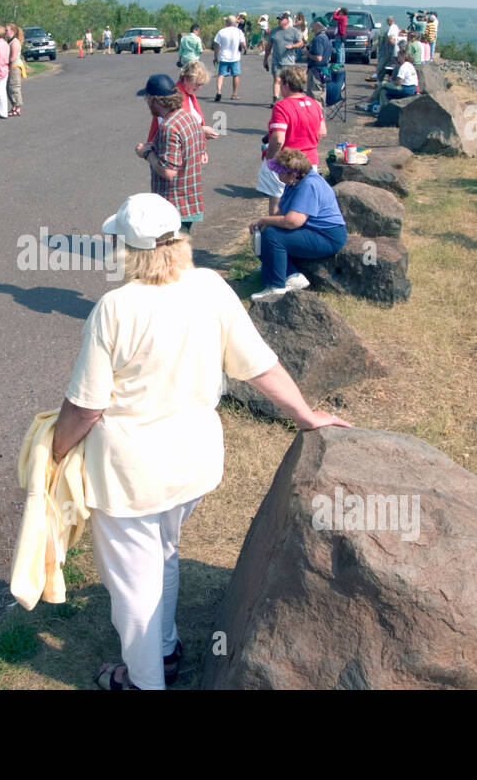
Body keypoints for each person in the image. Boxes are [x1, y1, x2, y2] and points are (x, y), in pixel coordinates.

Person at [53, 191, 351, 690]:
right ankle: (165, 651)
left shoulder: (115, 308)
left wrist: (55, 452)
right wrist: (304, 414)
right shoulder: (210, 287)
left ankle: (144, 681)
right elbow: (259, 364)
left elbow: (86, 405)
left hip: (131, 478)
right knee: (163, 552)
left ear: (127, 250)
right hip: (192, 466)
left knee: (132, 589)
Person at [249, 148, 348, 300]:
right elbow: (283, 213)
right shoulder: (295, 182)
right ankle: (290, 274)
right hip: (314, 231)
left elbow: (292, 221)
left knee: (272, 236)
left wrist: (264, 220)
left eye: (281, 172)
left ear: (293, 173)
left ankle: (277, 287)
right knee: (266, 232)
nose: (278, 174)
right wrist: (264, 224)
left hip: (328, 236)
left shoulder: (309, 185)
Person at [134, 73, 205, 233]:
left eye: (147, 99)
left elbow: (168, 171)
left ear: (155, 100)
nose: (147, 103)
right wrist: (154, 146)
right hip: (190, 201)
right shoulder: (189, 118)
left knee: (173, 254)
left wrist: (146, 153)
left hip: (174, 206)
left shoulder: (169, 127)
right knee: (180, 251)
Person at [259, 65, 326, 213]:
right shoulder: (315, 104)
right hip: (309, 162)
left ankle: (275, 233)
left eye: (281, 83)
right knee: (301, 207)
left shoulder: (282, 106)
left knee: (277, 205)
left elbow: (278, 139)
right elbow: (322, 131)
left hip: (286, 162)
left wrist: (270, 159)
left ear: (287, 85)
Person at [263, 12, 305, 102]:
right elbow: (269, 46)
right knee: (277, 79)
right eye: (279, 19)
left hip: (289, 61)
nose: (279, 21)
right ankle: (275, 99)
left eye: (281, 19)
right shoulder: (274, 31)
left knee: (288, 82)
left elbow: (301, 43)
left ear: (286, 20)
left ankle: (288, 100)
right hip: (276, 60)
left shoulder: (294, 31)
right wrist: (265, 59)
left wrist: (293, 46)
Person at [176, 61, 220, 145]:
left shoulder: (188, 94)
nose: (199, 88)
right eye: (197, 84)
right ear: (186, 79)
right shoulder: (176, 98)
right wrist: (201, 130)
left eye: (201, 84)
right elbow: (175, 128)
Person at [211, 15, 246, 102]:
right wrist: (243, 48)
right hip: (235, 57)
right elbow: (244, 45)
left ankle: (219, 91)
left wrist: (215, 57)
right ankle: (234, 94)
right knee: (235, 75)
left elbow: (216, 45)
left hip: (223, 57)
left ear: (227, 23)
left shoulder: (221, 32)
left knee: (221, 75)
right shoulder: (239, 32)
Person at [304, 21, 332, 106]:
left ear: (318, 25)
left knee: (314, 97)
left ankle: (316, 118)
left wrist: (307, 53)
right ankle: (321, 117)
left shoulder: (318, 38)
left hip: (316, 71)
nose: (312, 26)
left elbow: (318, 58)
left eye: (313, 24)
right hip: (324, 70)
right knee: (321, 97)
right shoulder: (326, 37)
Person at [6, 23, 24, 116]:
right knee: (9, 88)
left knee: (14, 87)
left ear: (12, 31)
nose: (5, 32)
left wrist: (5, 63)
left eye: (7, 30)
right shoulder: (10, 41)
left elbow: (13, 57)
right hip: (11, 67)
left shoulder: (15, 42)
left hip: (15, 67)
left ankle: (17, 108)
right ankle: (14, 106)